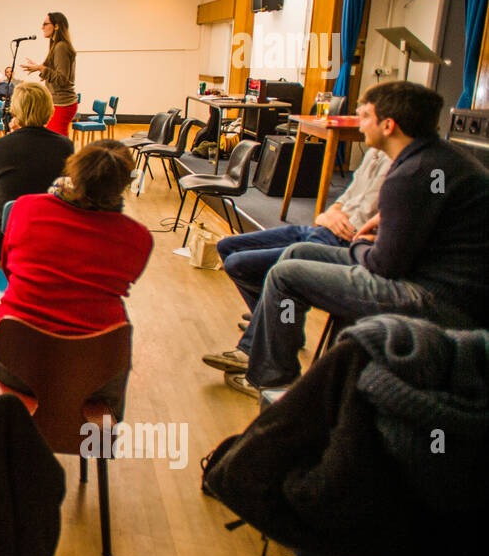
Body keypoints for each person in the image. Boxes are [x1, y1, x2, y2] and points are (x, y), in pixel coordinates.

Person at [226, 81, 489, 397]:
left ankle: (272, 380)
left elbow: (384, 265)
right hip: (433, 278)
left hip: (434, 296)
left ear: (388, 125)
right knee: (296, 253)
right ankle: (267, 349)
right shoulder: (437, 159)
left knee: (285, 276)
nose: (359, 124)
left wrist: (361, 242)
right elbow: (426, 215)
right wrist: (386, 224)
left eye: (364, 116)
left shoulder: (412, 173)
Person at [0, 140, 153, 421]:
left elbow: (10, 271)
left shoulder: (25, 208)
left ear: (73, 171)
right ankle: (96, 438)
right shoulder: (138, 238)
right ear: (124, 184)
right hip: (95, 374)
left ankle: (12, 433)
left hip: (16, 360)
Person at [201, 145, 391, 375]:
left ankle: (262, 341)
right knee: (227, 247)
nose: (359, 125)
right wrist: (330, 214)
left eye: (365, 121)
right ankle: (283, 327)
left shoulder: (406, 168)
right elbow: (343, 200)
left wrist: (360, 234)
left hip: (341, 244)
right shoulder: (374, 153)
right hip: (321, 230)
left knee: (242, 266)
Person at [0, 83, 74, 256]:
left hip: (11, 241)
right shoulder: (65, 146)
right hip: (51, 237)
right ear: (50, 109)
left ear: (14, 111)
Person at [21, 12, 77, 137]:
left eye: (45, 24)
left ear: (56, 26)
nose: (42, 27)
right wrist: (39, 68)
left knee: (56, 140)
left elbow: (62, 79)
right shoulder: (56, 45)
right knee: (55, 140)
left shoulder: (61, 47)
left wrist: (41, 68)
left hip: (63, 103)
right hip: (59, 102)